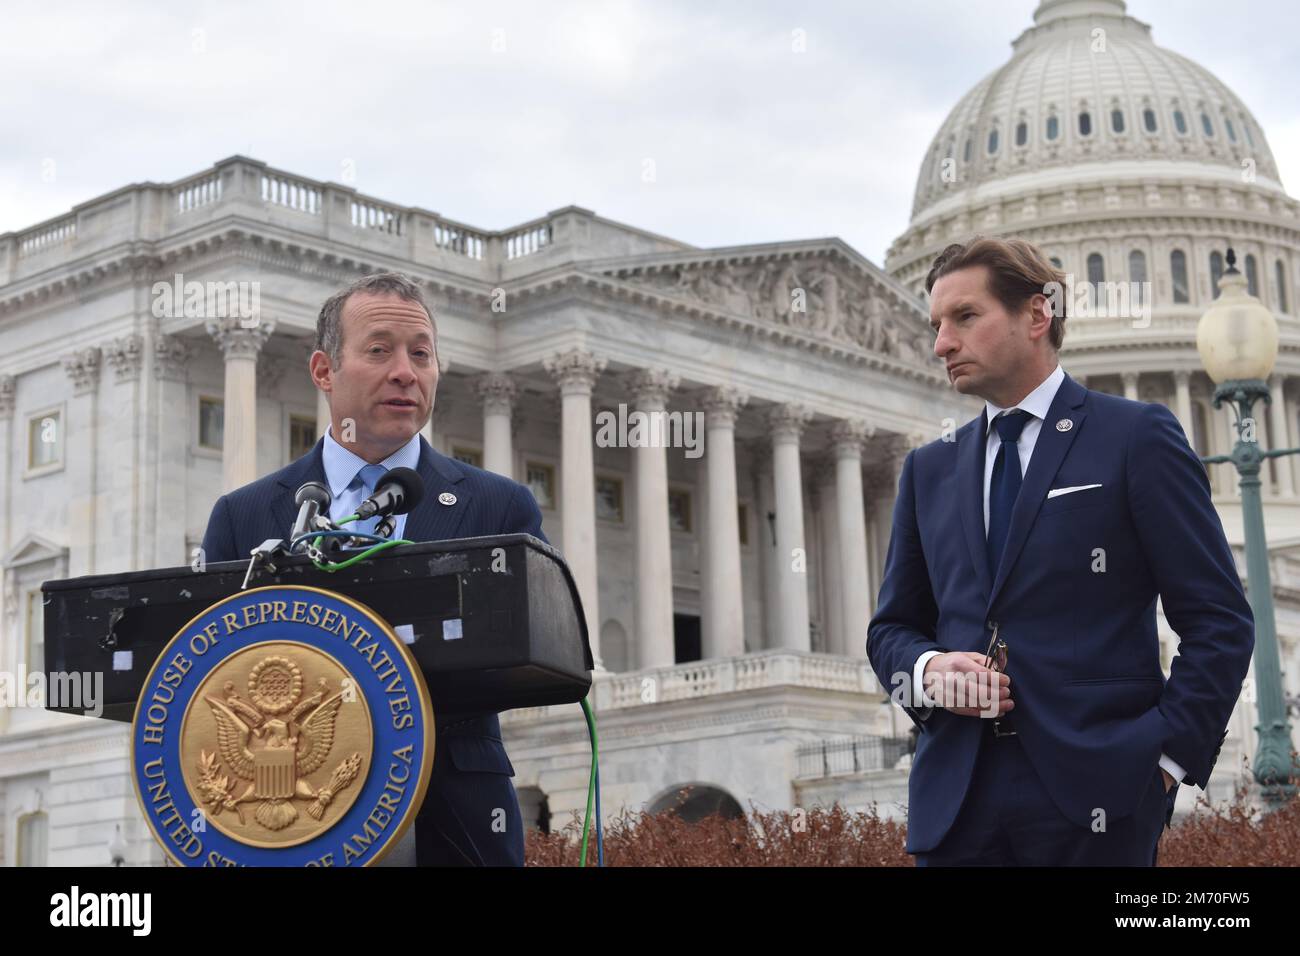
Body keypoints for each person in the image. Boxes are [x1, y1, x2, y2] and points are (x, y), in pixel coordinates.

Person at [867, 236, 1254, 866]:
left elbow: (1220, 622)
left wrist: (1161, 762)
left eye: (965, 317)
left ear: (1037, 315)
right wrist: (930, 672)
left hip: (1101, 799)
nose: (942, 343)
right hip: (957, 806)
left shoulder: (1135, 437)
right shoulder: (928, 470)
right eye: (936, 325)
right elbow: (891, 630)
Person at [201, 271, 544, 865]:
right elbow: (207, 674)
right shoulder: (245, 515)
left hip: (453, 821)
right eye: (380, 350)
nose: (406, 372)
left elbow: (538, 651)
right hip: (279, 816)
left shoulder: (499, 507)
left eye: (421, 354)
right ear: (324, 371)